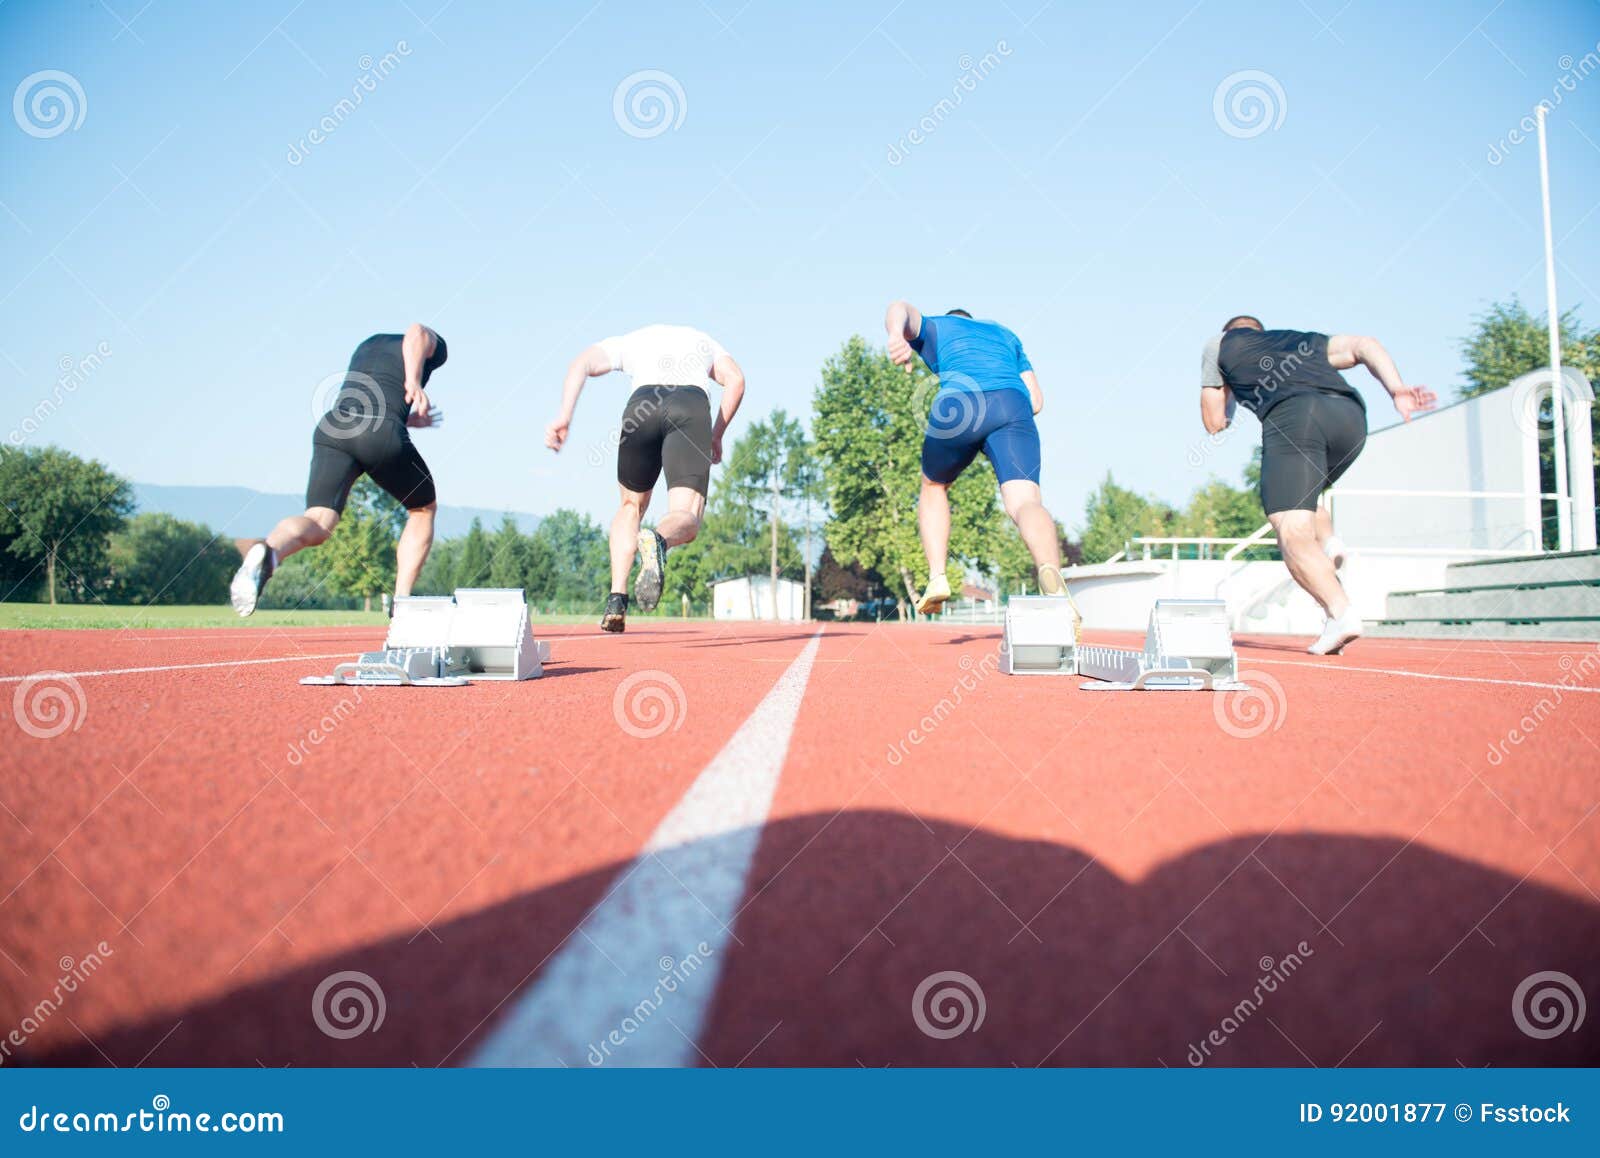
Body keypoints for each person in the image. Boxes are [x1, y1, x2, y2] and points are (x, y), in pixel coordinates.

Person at [1199, 316, 1437, 654]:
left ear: (1230, 333)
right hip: (1350, 419)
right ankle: (1329, 544)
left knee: (1289, 528)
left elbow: (1214, 422)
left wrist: (1229, 388)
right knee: (1305, 503)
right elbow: (1365, 344)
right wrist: (1397, 389)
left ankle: (1341, 613)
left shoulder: (1217, 344)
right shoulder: (1298, 340)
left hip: (1296, 417)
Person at [230, 324, 447, 616]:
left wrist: (406, 420)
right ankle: (402, 601)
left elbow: (371, 403)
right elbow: (418, 331)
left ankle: (269, 550)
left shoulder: (367, 346)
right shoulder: (431, 346)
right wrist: (413, 381)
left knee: (318, 521)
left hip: (334, 427)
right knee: (422, 509)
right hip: (379, 430)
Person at [545, 324, 745, 632]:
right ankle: (659, 540)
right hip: (690, 407)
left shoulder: (631, 341)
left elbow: (580, 364)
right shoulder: (705, 342)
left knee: (630, 506)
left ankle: (616, 599)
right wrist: (717, 435)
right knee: (686, 514)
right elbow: (735, 380)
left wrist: (564, 416)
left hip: (642, 406)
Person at [884, 302, 1068, 615]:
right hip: (1012, 405)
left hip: (959, 404)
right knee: (1025, 503)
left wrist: (896, 336)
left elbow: (900, 307)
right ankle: (1051, 575)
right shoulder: (1005, 334)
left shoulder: (938, 326)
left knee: (934, 485)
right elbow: (1036, 400)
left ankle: (937, 576)